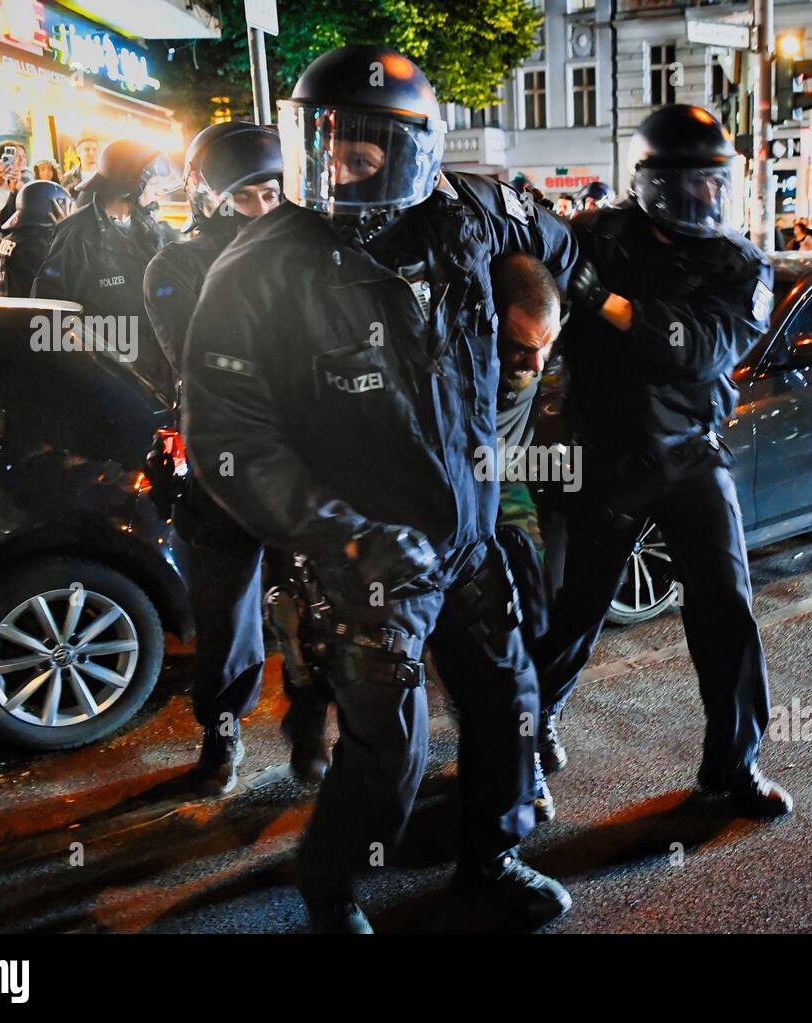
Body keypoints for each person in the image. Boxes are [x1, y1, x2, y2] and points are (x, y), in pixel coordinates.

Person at [181, 45, 577, 934]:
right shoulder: (256, 270)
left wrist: (536, 313)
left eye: (362, 151)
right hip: (369, 554)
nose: (338, 168)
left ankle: (492, 859)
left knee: (509, 706)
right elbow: (231, 441)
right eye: (322, 146)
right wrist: (340, 530)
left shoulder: (470, 215)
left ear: (412, 151)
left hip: (470, 532)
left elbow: (559, 244)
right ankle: (330, 889)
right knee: (388, 756)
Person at [532, 103, 791, 822]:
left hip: (690, 455)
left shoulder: (739, 262)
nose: (705, 197)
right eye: (690, 184)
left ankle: (733, 763)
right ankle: (525, 737)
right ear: (652, 183)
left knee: (726, 609)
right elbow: (534, 267)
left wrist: (609, 303)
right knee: (574, 610)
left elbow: (697, 349)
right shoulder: (599, 233)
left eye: (715, 183)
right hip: (606, 454)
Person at [142, 121, 296, 796]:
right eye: (245, 197)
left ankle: (315, 724)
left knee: (316, 600)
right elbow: (197, 362)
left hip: (304, 459)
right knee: (227, 607)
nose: (261, 208)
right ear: (209, 196)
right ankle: (223, 731)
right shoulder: (173, 265)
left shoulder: (309, 250)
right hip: (222, 460)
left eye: (271, 193)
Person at [487, 253, 565, 816]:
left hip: (508, 491)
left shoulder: (538, 350)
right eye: (520, 347)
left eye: (547, 344)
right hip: (451, 502)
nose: (536, 362)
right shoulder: (455, 366)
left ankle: (531, 743)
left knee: (533, 622)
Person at [32, 138, 175, 396]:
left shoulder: (147, 225)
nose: (160, 191)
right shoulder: (77, 233)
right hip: (112, 377)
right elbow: (48, 312)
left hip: (155, 368)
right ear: (130, 185)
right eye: (154, 183)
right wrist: (89, 366)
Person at [0, 180, 71, 297]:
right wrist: (65, 237)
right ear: (54, 208)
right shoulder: (36, 243)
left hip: (9, 310)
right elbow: (61, 283)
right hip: (31, 311)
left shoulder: (10, 238)